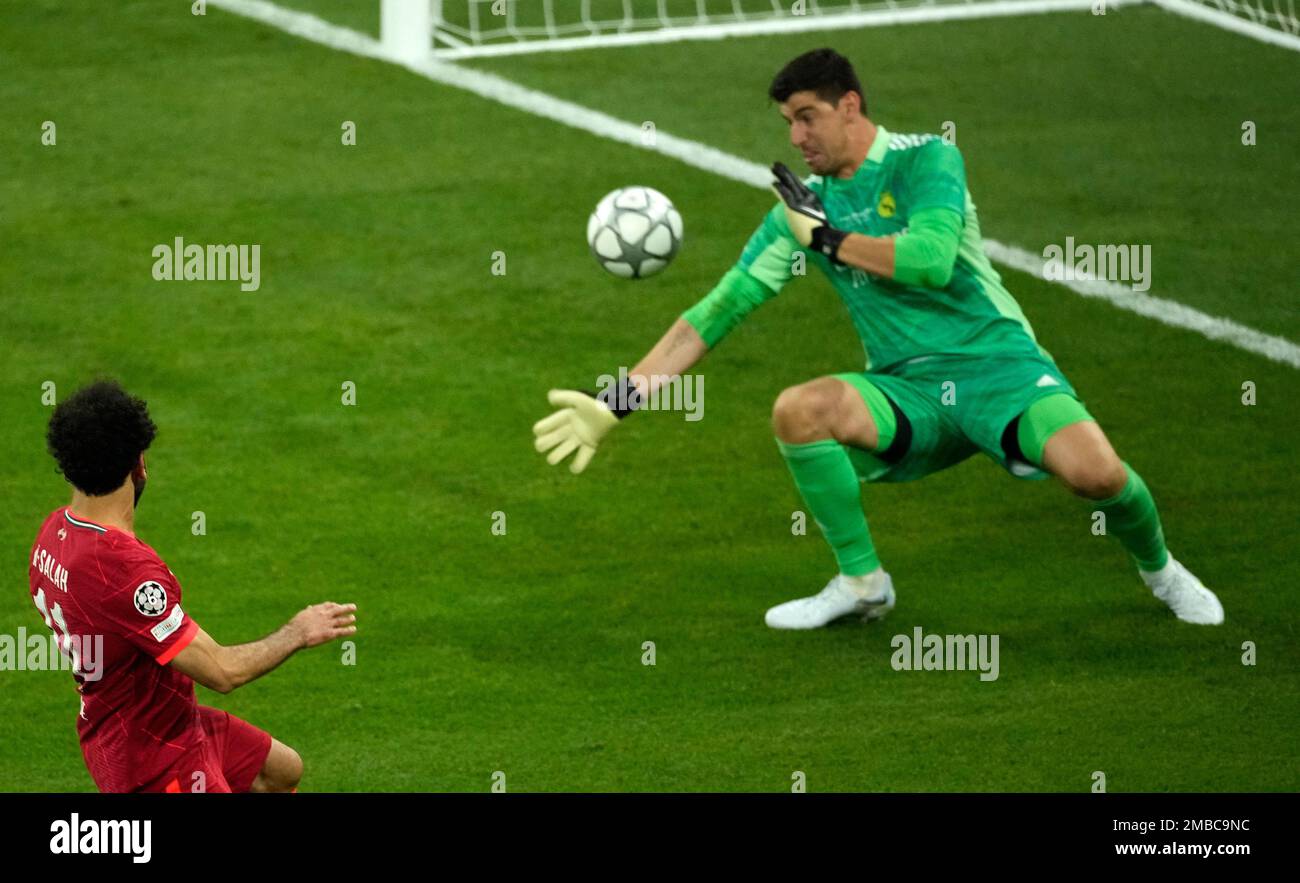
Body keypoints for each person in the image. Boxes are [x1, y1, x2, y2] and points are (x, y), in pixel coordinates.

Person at [533, 48, 1223, 629]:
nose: (796, 137)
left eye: (807, 117)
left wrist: (828, 239)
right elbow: (715, 312)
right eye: (788, 122)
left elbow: (929, 261)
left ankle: (1161, 569)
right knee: (797, 409)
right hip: (907, 389)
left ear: (850, 108)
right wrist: (615, 401)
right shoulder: (797, 214)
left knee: (1098, 475)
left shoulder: (927, 161)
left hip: (999, 366)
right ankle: (862, 583)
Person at [29, 379, 357, 792]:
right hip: (154, 760)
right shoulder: (122, 571)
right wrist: (298, 632)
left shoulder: (52, 534)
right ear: (139, 463)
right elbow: (222, 672)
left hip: (152, 721)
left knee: (279, 771)